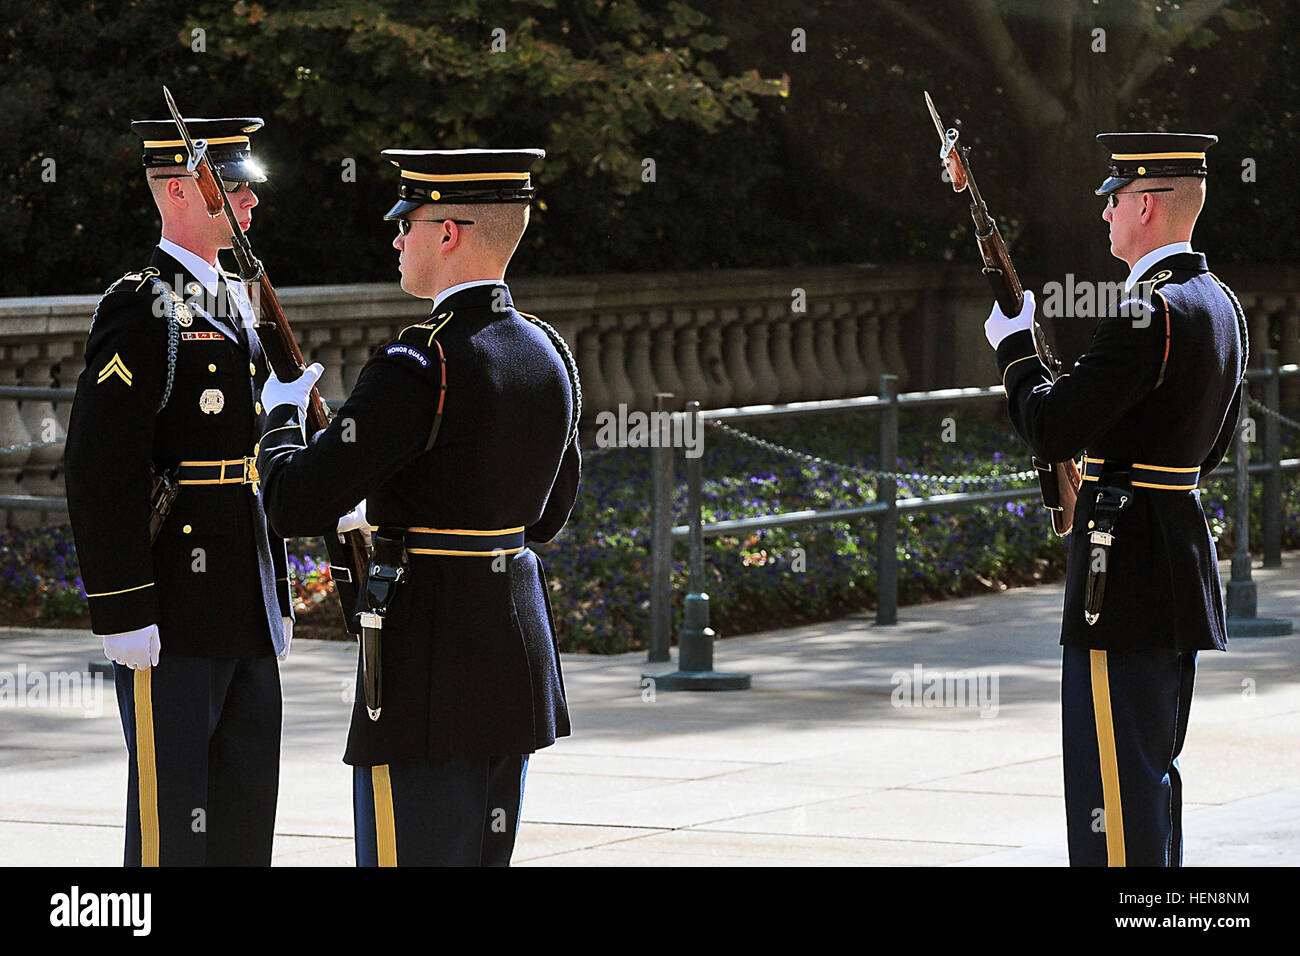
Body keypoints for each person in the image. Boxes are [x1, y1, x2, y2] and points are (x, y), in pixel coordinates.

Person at [256, 148, 580, 867]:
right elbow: (545, 515)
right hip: (514, 656)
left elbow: (293, 500)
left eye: (408, 223)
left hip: (427, 664)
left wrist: (278, 419)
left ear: (449, 233)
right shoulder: (545, 351)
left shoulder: (419, 363)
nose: (397, 238)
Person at [983, 133, 1246, 866]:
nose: (1104, 214)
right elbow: (1209, 444)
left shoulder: (1148, 311)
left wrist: (1013, 351)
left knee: (1113, 794)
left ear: (1150, 207)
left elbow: (1051, 423)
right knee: (1149, 779)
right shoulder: (1220, 304)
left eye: (1116, 199)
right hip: (1176, 560)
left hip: (1120, 575)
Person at [64, 117, 296, 866]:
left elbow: (251, 463)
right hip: (175, 605)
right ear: (176, 190)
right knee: (174, 825)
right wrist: (122, 606)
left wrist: (278, 594)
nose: (249, 201)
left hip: (244, 598)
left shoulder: (238, 298)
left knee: (243, 812)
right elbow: (100, 466)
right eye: (231, 187)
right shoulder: (143, 306)